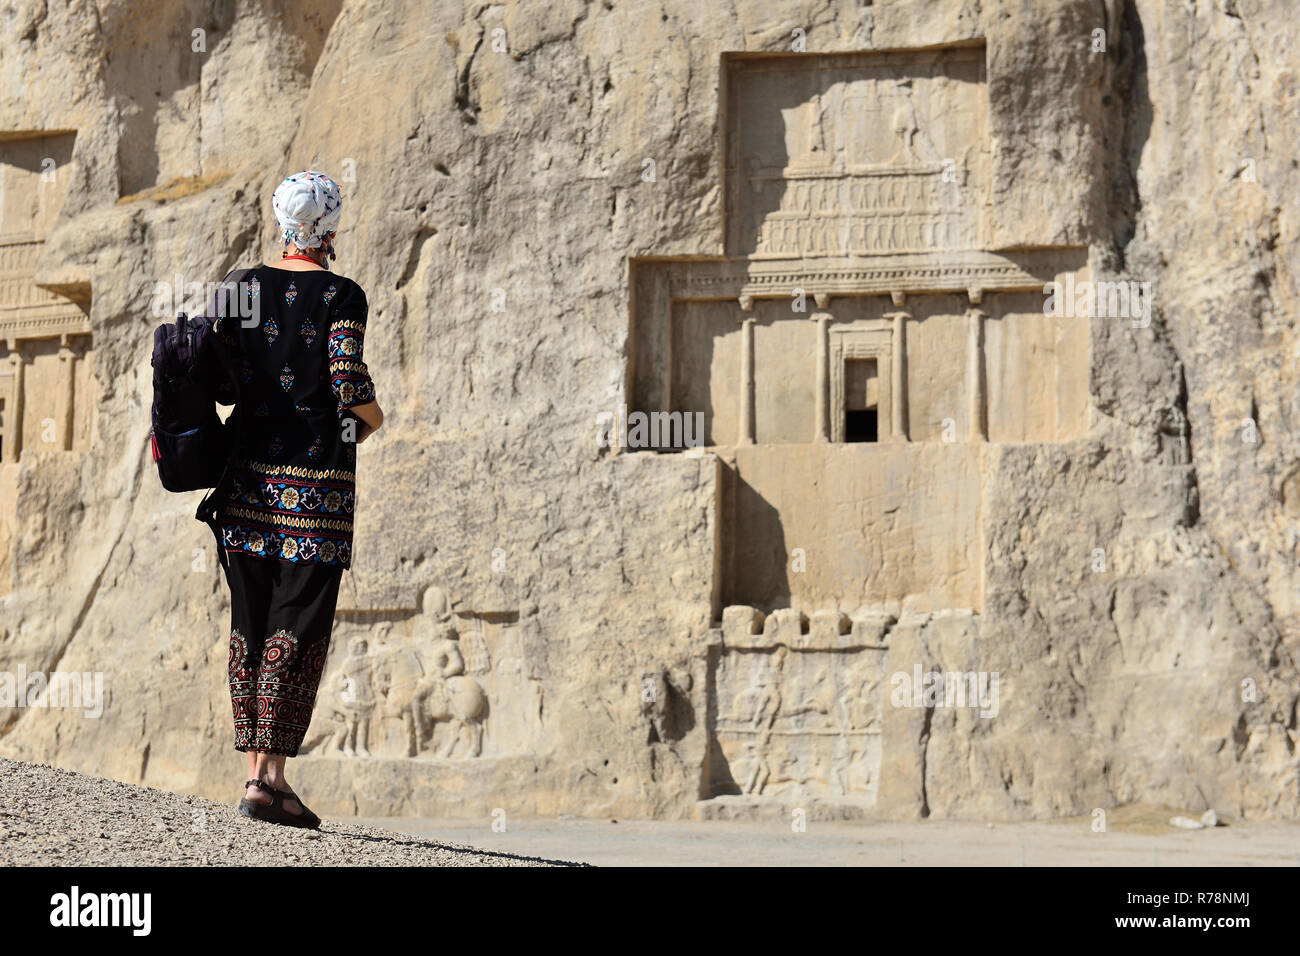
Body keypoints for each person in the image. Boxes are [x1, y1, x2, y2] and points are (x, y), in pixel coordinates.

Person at [211, 170, 384, 828]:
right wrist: (372, 421)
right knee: (296, 627)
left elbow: (222, 383)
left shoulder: (240, 288)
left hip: (245, 487)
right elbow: (346, 379)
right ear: (331, 227)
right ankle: (273, 778)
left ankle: (255, 772)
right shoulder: (342, 294)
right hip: (315, 497)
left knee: (250, 627)